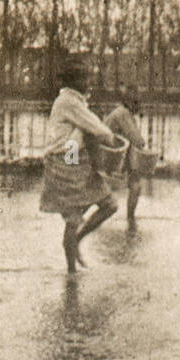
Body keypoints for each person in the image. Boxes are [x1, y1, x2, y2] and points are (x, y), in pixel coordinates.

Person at [39, 57, 125, 273]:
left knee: (109, 205)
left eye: (87, 78)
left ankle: (76, 241)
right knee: (74, 217)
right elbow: (98, 129)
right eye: (84, 79)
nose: (88, 83)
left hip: (74, 158)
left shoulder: (74, 101)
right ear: (73, 81)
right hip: (63, 161)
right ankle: (71, 272)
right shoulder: (69, 102)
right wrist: (112, 140)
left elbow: (92, 127)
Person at [103, 93, 161, 226]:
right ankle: (130, 218)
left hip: (114, 152)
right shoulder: (123, 114)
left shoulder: (120, 112)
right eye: (137, 103)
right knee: (134, 185)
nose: (139, 106)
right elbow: (137, 139)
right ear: (129, 102)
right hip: (111, 155)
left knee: (134, 184)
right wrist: (142, 146)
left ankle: (130, 217)